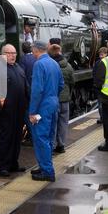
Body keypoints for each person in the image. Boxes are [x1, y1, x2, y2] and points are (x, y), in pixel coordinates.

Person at [29, 40, 64, 182]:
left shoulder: (39, 64)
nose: (32, 53)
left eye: (32, 50)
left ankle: (48, 171)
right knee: (49, 138)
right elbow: (61, 84)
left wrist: (32, 112)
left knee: (40, 138)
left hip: (42, 106)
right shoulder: (54, 63)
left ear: (36, 50)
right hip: (53, 104)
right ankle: (44, 167)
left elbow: (37, 90)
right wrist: (53, 97)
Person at [0, 44, 28, 177]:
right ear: (3, 54)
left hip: (19, 110)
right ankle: (2, 166)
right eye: (9, 53)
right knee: (6, 138)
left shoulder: (18, 68)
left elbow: (25, 86)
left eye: (14, 53)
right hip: (7, 110)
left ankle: (13, 163)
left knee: (17, 137)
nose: (13, 55)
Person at [49, 44, 74, 154]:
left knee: (53, 123)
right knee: (63, 123)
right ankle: (61, 145)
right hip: (65, 99)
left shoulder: (50, 65)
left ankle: (53, 145)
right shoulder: (68, 66)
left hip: (54, 99)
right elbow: (72, 82)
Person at [19, 41, 36, 146]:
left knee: (27, 115)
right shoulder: (35, 58)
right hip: (36, 91)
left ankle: (32, 138)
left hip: (27, 91)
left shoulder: (23, 60)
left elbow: (21, 76)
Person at [93, 47, 108, 124]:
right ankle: (102, 118)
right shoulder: (97, 63)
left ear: (106, 54)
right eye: (100, 54)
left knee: (103, 105)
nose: (101, 56)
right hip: (99, 88)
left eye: (103, 54)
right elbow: (94, 74)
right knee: (100, 105)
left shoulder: (107, 63)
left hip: (105, 87)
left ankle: (105, 118)